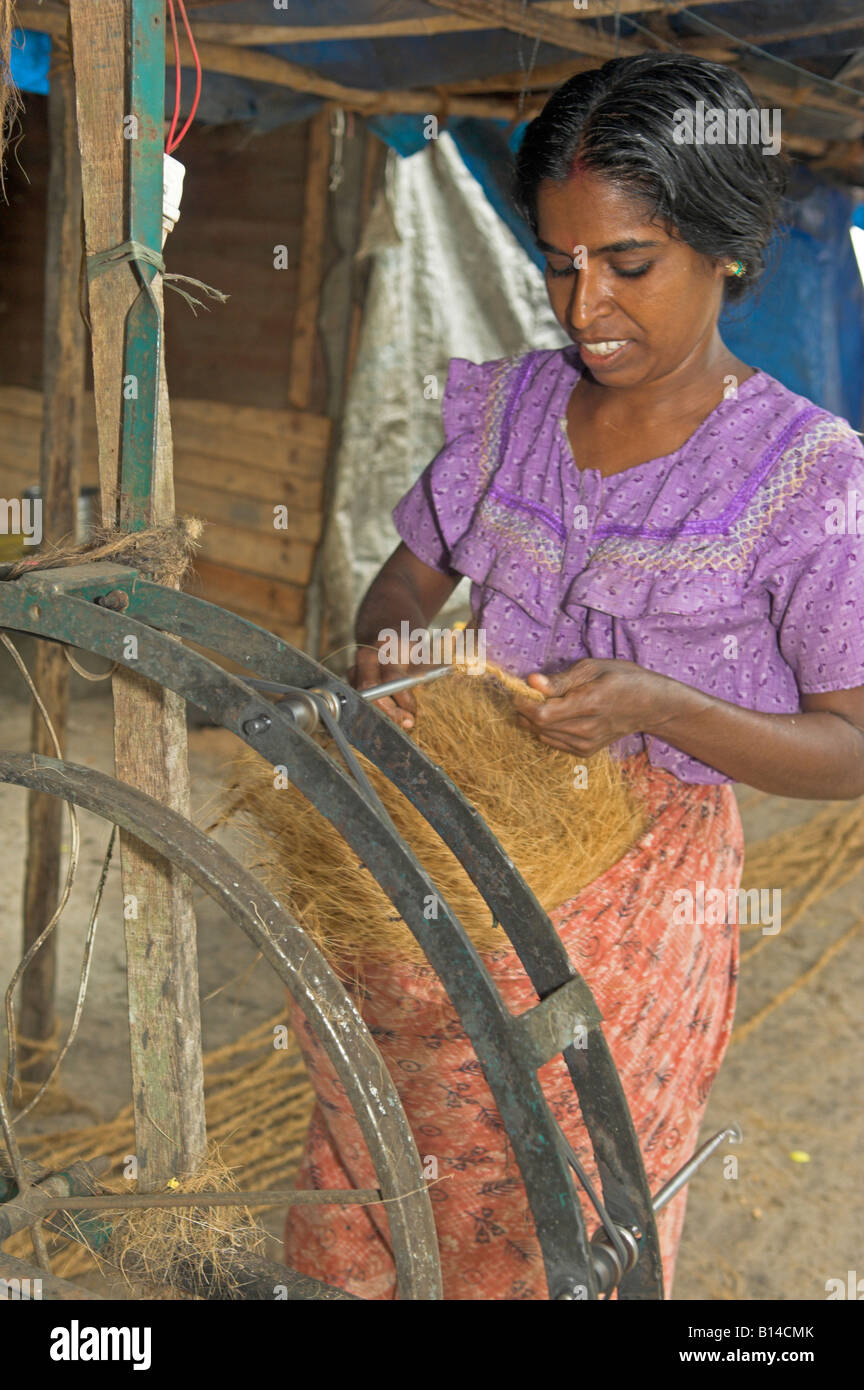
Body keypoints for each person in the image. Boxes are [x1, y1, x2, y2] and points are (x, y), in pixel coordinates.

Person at [284, 52, 864, 1300]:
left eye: (629, 263)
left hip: (640, 905)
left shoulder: (805, 479)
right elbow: (401, 591)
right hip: (451, 844)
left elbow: (853, 745)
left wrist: (661, 705)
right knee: (378, 1145)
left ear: (725, 250)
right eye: (559, 261)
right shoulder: (516, 414)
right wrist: (399, 666)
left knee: (554, 1202)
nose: (583, 304)